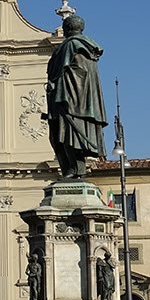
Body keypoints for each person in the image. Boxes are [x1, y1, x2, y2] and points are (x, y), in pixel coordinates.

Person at [43, 14, 108, 179]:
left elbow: (68, 72)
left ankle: (75, 170)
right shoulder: (85, 47)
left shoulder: (71, 45)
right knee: (62, 136)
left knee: (67, 135)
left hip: (69, 100)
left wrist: (57, 87)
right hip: (78, 100)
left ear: (67, 29)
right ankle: (72, 170)